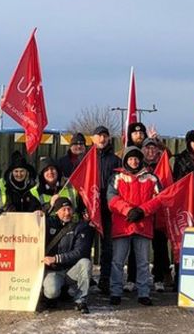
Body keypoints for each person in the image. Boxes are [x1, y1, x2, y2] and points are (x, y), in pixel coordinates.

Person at [107, 146, 163, 306]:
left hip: (143, 225)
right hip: (122, 225)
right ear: (125, 160)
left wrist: (142, 211)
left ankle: (144, 293)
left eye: (136, 158)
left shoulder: (152, 178)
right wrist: (128, 210)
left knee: (143, 262)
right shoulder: (117, 177)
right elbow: (111, 199)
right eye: (130, 158)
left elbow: (159, 199)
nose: (134, 161)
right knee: (118, 261)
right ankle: (115, 292)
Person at [41, 198, 94, 314]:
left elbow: (80, 252)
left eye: (69, 209)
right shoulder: (48, 223)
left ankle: (81, 301)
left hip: (71, 270)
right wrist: (41, 211)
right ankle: (58, 293)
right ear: (56, 211)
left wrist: (56, 258)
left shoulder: (80, 226)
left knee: (86, 263)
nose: (67, 213)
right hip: (53, 270)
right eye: (63, 209)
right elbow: (35, 220)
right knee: (51, 292)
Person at [92, 125, 122, 293]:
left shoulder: (115, 161)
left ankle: (105, 279)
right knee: (86, 243)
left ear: (108, 138)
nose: (102, 139)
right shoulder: (87, 159)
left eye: (105, 136)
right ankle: (84, 280)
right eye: (99, 136)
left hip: (109, 209)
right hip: (91, 208)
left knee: (108, 246)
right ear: (93, 139)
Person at [142, 137, 172, 291]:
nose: (150, 151)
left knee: (160, 246)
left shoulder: (163, 165)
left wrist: (159, 141)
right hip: (143, 211)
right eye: (147, 148)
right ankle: (133, 278)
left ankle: (159, 277)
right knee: (138, 247)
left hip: (159, 212)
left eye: (153, 148)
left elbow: (169, 153)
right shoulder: (138, 166)